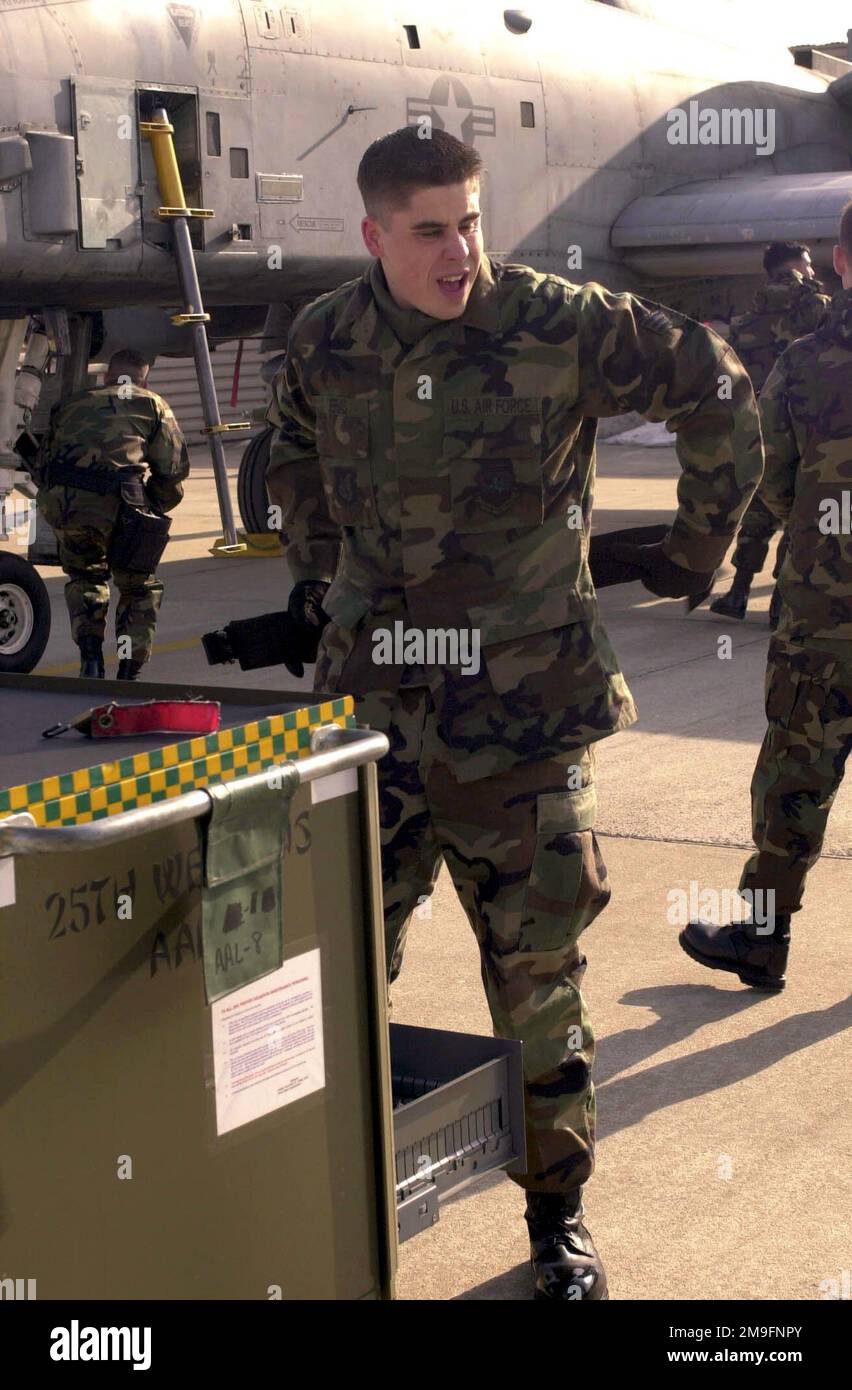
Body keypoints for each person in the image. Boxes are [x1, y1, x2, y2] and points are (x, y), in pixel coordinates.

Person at [265, 126, 762, 1300]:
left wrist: (697, 550)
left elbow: (721, 390)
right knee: (329, 968)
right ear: (375, 232)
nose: (460, 252)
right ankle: (322, 1189)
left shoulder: (563, 325)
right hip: (374, 717)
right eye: (431, 229)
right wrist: (315, 571)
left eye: (472, 222)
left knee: (538, 980)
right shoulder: (324, 338)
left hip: (527, 723)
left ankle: (559, 1223)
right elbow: (290, 453)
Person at [681, 204, 852, 991]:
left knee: (796, 769)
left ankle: (760, 937)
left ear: (841, 260)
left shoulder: (807, 362)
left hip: (823, 612)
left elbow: (772, 485)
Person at [34, 349, 188, 679]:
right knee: (138, 586)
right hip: (119, 503)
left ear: (107, 376)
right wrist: (152, 510)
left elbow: (43, 461)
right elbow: (173, 470)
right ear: (143, 380)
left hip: (65, 504)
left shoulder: (72, 403)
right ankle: (127, 671)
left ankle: (90, 660)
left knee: (86, 576)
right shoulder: (151, 403)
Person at [709, 241, 830, 625]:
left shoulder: (747, 318)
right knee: (799, 504)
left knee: (760, 505)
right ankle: (781, 598)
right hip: (805, 419)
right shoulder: (816, 307)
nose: (812, 271)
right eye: (807, 264)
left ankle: (739, 590)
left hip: (754, 421)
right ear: (794, 264)